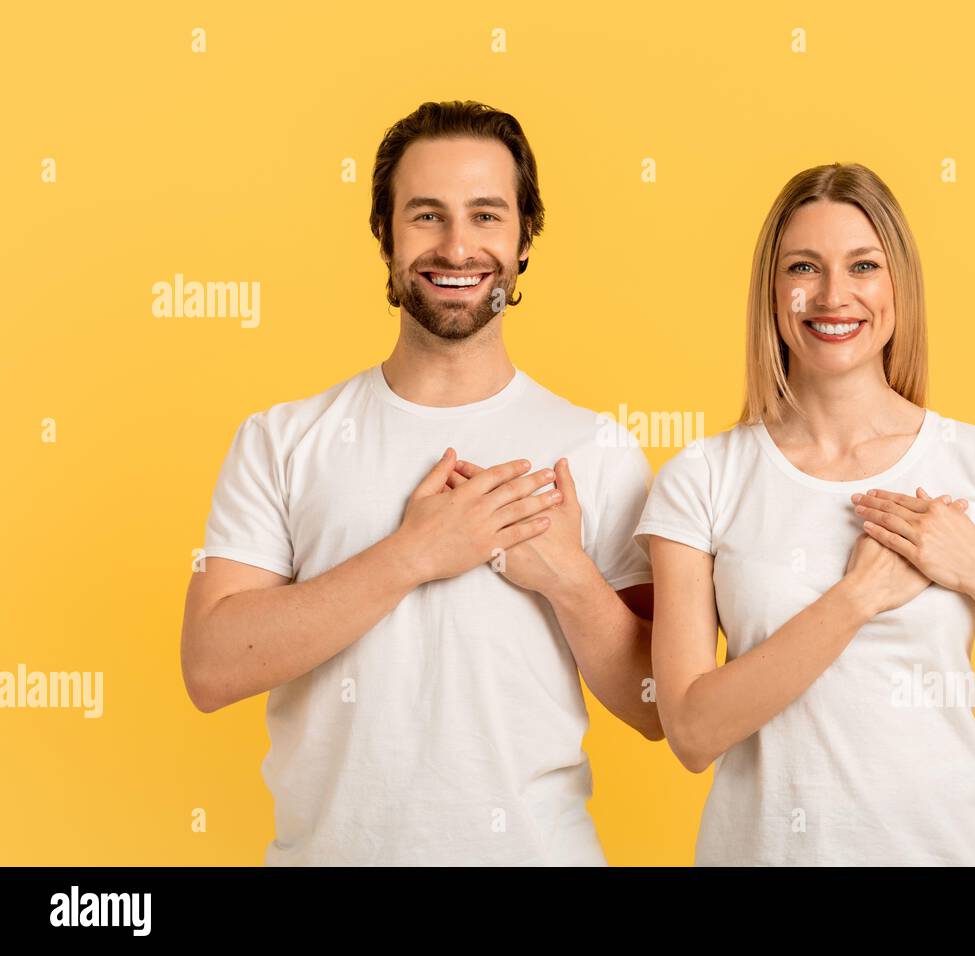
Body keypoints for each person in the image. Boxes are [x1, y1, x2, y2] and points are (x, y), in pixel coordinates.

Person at [180, 100, 661, 866]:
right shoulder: (280, 440)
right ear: (385, 234)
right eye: (427, 216)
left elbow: (659, 705)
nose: (458, 246)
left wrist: (569, 578)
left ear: (525, 238)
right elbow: (210, 667)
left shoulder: (594, 448)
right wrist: (413, 555)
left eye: (487, 216)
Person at [634, 162, 975, 866]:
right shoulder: (702, 479)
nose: (834, 296)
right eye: (805, 266)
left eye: (863, 265)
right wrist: (856, 598)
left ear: (898, 288)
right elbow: (692, 731)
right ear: (773, 291)